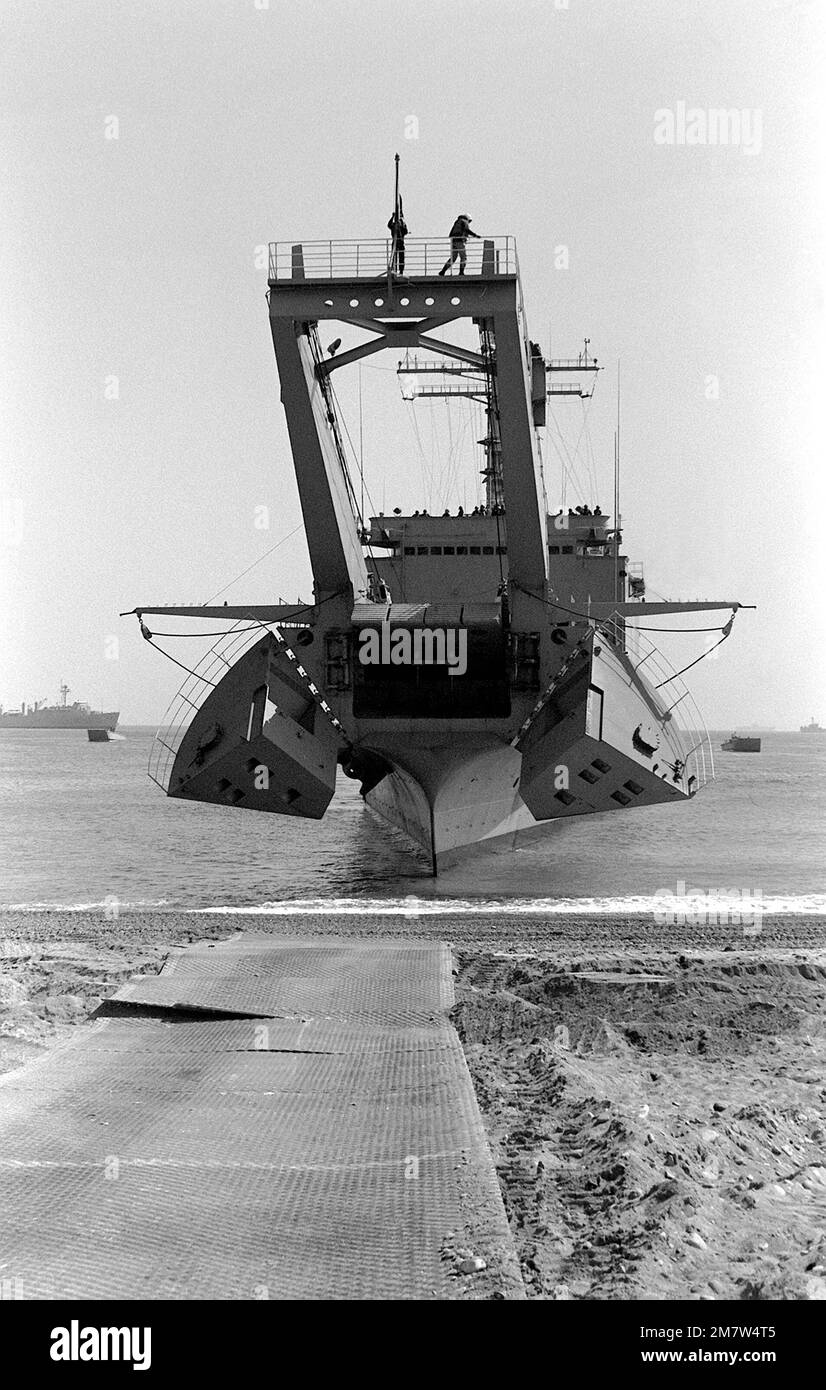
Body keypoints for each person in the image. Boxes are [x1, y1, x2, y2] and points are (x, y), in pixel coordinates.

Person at [388, 203, 408, 274]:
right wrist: (392, 217)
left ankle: (401, 270)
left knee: (401, 257)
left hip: (401, 242)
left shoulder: (402, 225)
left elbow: (406, 231)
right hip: (395, 242)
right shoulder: (393, 225)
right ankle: (394, 269)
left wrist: (402, 222)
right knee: (394, 257)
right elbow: (389, 225)